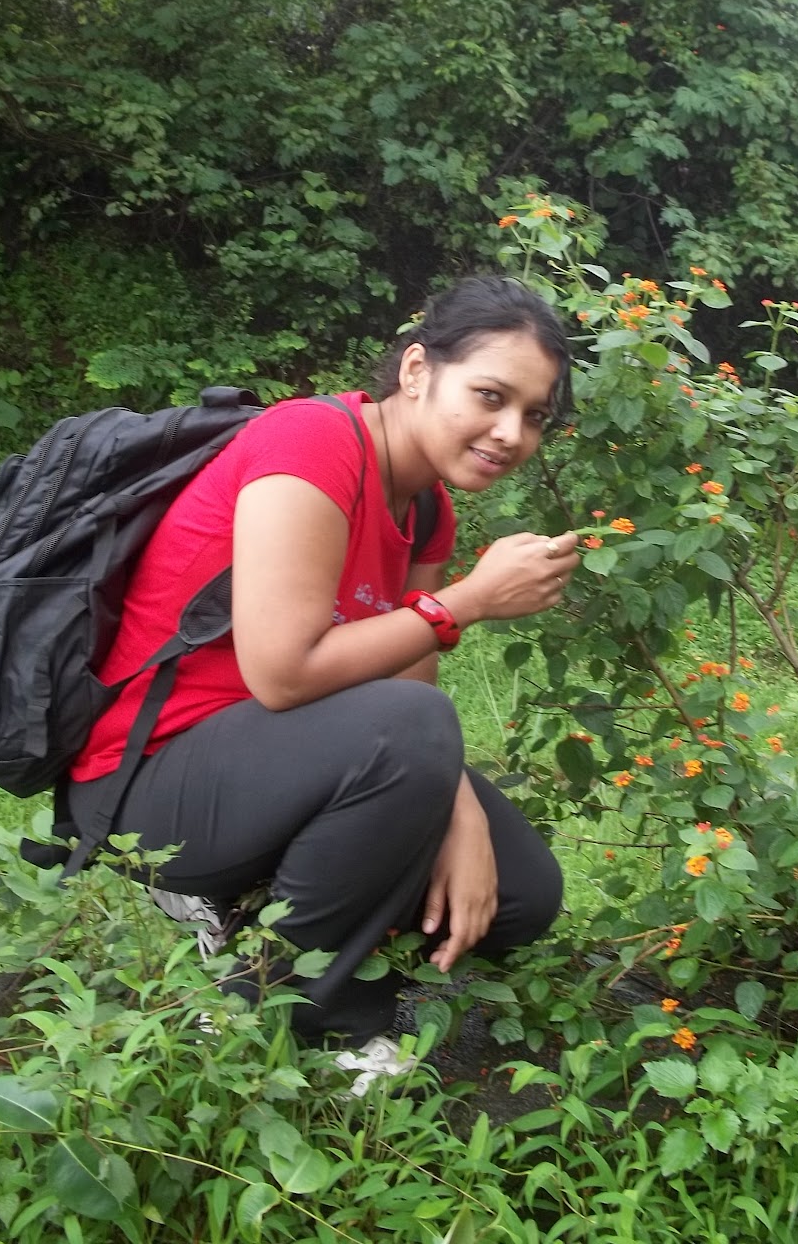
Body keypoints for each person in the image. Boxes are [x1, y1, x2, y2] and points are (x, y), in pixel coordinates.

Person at [66, 275, 580, 1087]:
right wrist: (469, 601)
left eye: (534, 416)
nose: (510, 431)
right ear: (417, 370)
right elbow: (282, 672)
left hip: (278, 770)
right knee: (409, 730)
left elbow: (408, 678)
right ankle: (286, 1008)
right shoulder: (311, 441)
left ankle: (263, 916)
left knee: (520, 896)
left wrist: (465, 823)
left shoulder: (426, 508)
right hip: (151, 785)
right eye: (490, 395)